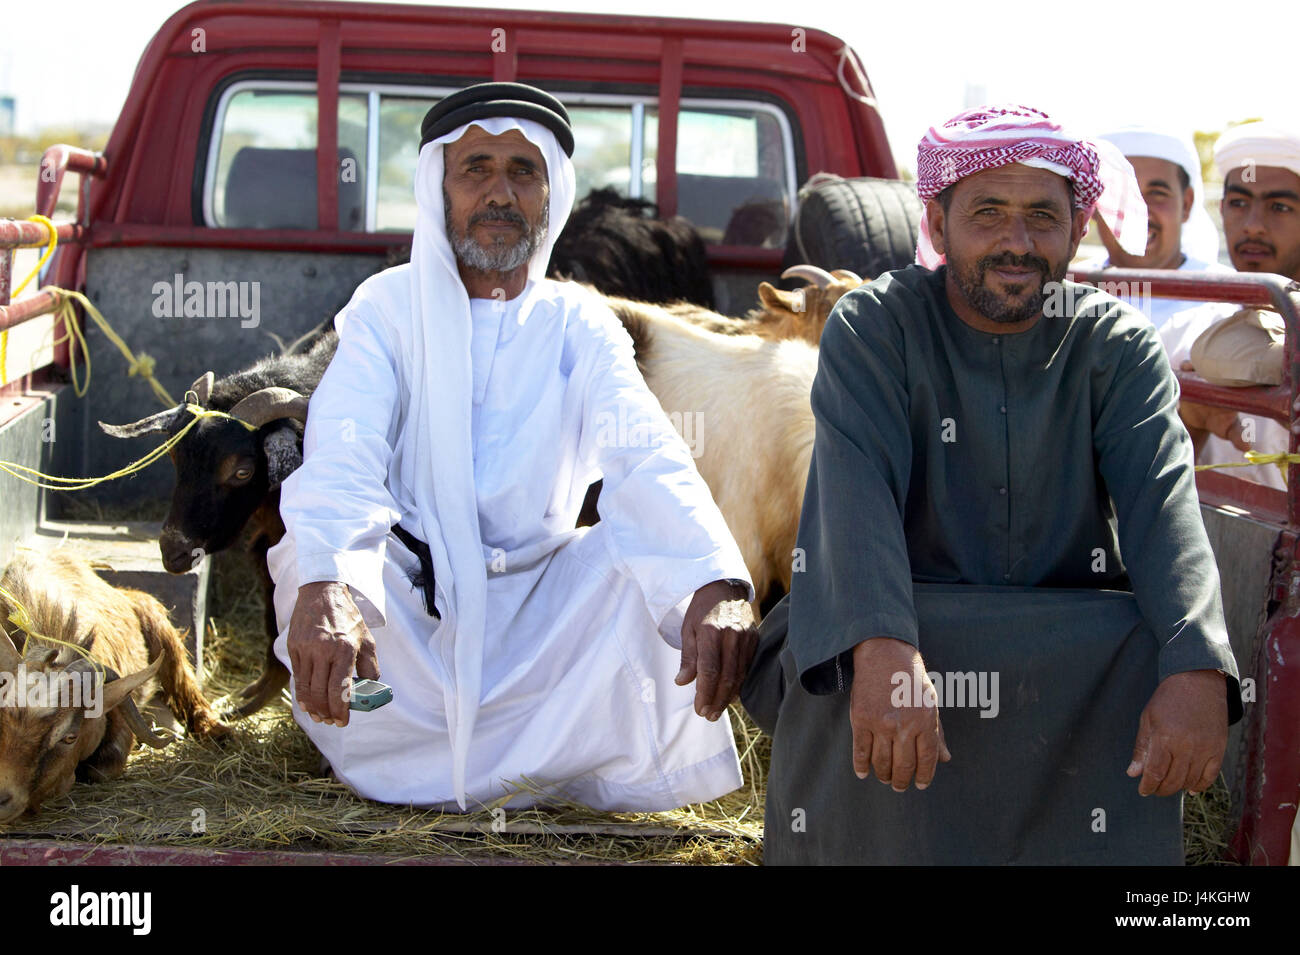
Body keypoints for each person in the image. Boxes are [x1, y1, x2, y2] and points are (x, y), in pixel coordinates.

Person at [741, 105, 1242, 865]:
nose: (1017, 241)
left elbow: (1163, 506)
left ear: (1078, 231)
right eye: (989, 214)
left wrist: (1199, 662)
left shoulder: (1117, 344)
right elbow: (854, 502)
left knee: (1148, 644)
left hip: (1061, 641)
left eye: (1043, 216)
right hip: (902, 611)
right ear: (938, 227)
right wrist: (883, 647)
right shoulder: (876, 326)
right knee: (839, 650)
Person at [267, 82, 757, 812]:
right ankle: (496, 762)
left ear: (550, 191)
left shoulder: (580, 322)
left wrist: (715, 582)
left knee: (647, 563)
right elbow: (345, 452)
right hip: (410, 614)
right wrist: (330, 581)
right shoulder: (388, 309)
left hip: (542, 612)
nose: (500, 192)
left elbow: (646, 454)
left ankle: (542, 765)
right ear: (441, 187)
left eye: (522, 171)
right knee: (309, 574)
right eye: (476, 169)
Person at [1077, 126, 1231, 329]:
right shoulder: (1065, 293)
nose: (1139, 211)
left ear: (1186, 204)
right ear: (1095, 207)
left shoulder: (1230, 300)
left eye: (1157, 193)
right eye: (1122, 194)